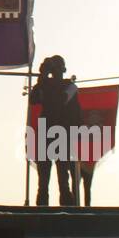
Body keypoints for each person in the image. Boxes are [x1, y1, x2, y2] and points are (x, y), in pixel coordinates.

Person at [30, 55, 82, 206]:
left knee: (63, 180)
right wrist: (42, 77)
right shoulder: (44, 85)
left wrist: (44, 81)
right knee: (43, 181)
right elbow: (33, 99)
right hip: (46, 132)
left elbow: (60, 100)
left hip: (61, 133)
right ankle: (41, 214)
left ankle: (66, 213)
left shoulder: (70, 86)